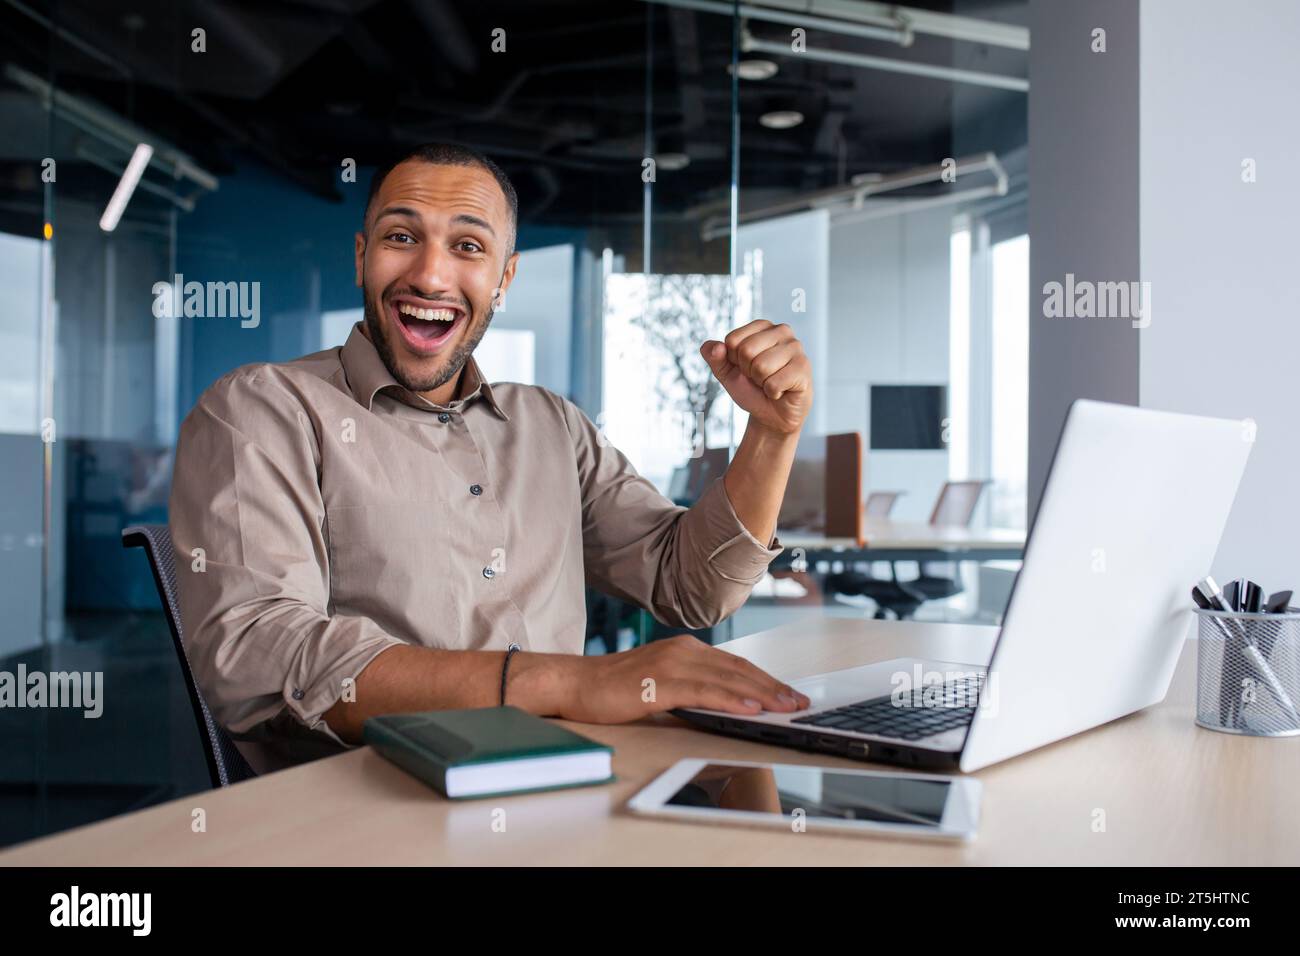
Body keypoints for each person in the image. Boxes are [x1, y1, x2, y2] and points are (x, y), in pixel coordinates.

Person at [170, 142, 814, 770]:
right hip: (365, 812)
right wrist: (565, 684)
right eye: (400, 238)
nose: (429, 274)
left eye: (468, 246)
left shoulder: (553, 425)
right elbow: (253, 652)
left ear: (504, 279)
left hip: (565, 786)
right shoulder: (261, 409)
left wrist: (770, 434)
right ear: (362, 257)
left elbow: (691, 587)